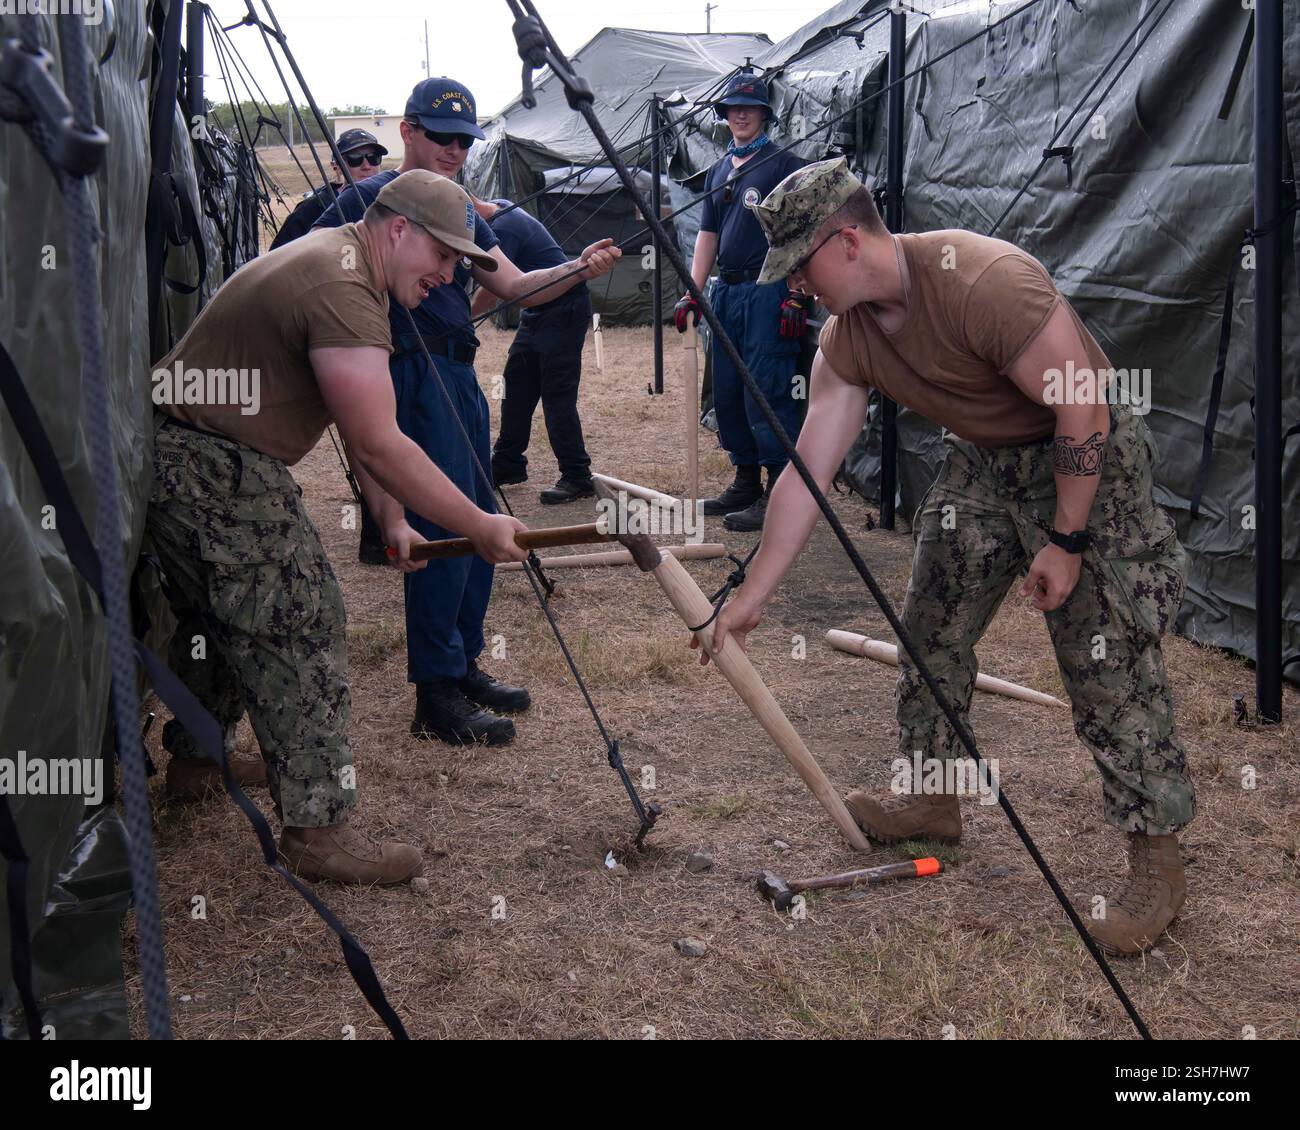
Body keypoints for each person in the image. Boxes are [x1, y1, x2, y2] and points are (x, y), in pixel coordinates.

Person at [702, 157, 1195, 956]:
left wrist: (1066, 541)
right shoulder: (847, 338)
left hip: (1083, 458)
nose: (793, 287)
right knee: (930, 628)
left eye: (801, 266)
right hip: (981, 463)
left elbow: (1080, 406)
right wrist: (754, 592)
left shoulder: (985, 281)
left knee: (1105, 661)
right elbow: (806, 472)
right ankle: (935, 798)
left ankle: (1156, 860)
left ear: (848, 241)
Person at [151, 170, 530, 885]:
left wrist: (393, 520)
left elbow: (363, 434)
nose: (449, 276)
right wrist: (478, 522)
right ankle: (317, 831)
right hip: (212, 460)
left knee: (229, 613)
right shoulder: (345, 288)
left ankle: (200, 759)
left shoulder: (342, 260)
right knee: (299, 618)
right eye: (444, 256)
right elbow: (383, 441)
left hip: (186, 453)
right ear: (398, 230)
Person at [314, 76, 619, 745]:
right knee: (440, 524)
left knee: (481, 514)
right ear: (408, 132)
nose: (455, 150)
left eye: (466, 140)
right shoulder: (369, 199)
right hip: (408, 366)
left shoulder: (461, 211)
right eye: (442, 136)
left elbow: (512, 285)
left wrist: (577, 269)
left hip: (457, 368)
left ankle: (464, 659)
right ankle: (436, 691)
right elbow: (311, 269)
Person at [675, 72, 808, 531]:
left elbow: (800, 232)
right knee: (727, 388)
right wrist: (694, 291)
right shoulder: (718, 170)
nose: (741, 114)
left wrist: (796, 291)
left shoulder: (783, 164)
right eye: (734, 108)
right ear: (725, 116)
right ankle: (746, 479)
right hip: (726, 291)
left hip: (767, 288)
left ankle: (780, 491)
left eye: (750, 108)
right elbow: (707, 235)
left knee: (765, 387)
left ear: (765, 114)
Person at [470, 195, 595, 504]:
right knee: (516, 386)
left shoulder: (504, 229)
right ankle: (508, 462)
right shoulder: (501, 206)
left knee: (556, 395)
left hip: (564, 309)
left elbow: (494, 286)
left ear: (471, 208)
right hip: (536, 312)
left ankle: (577, 475)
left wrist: (464, 316)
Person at [269, 128, 387, 250]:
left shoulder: (391, 203)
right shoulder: (313, 208)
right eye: (355, 158)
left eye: (374, 158)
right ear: (336, 166)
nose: (367, 166)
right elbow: (276, 257)